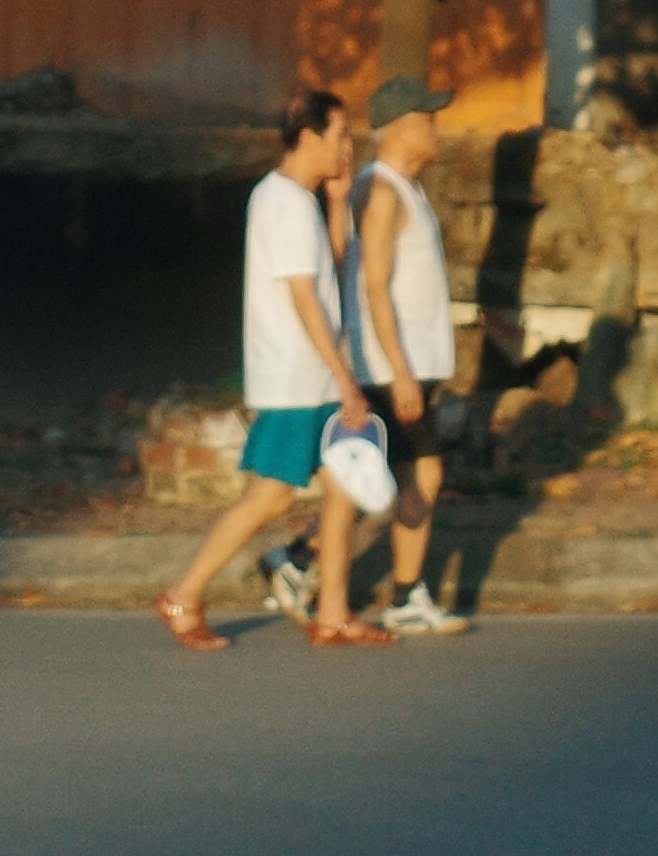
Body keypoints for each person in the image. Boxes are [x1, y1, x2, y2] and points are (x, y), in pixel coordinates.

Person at [154, 90, 396, 651]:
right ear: (308, 136)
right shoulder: (281, 201)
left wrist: (339, 202)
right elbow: (304, 300)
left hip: (316, 375)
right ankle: (183, 595)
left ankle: (332, 613)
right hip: (294, 379)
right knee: (272, 496)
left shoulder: (299, 200)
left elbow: (330, 272)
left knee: (343, 490)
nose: (347, 148)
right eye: (340, 135)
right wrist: (345, 378)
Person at [267, 77, 471, 636]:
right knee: (418, 475)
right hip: (388, 366)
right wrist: (400, 373)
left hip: (405, 363)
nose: (437, 129)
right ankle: (405, 596)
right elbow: (373, 287)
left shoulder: (402, 189)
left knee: (371, 479)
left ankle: (297, 560)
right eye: (428, 119)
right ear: (400, 128)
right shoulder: (381, 192)